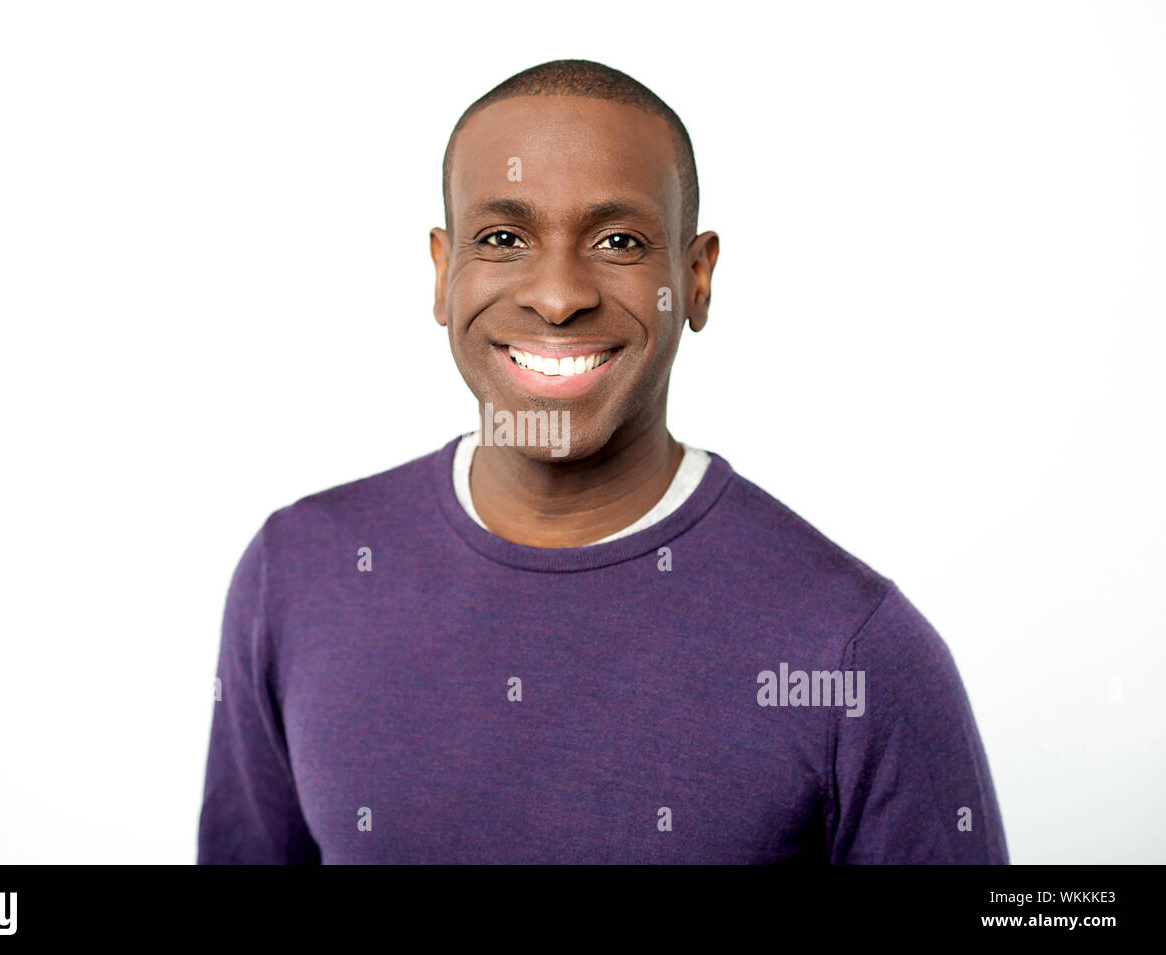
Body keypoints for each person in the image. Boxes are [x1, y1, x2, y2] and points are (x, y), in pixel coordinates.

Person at [197, 59, 1008, 864]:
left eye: (618, 241)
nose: (557, 295)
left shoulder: (856, 649)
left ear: (695, 278)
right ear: (444, 273)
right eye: (504, 238)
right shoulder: (298, 572)